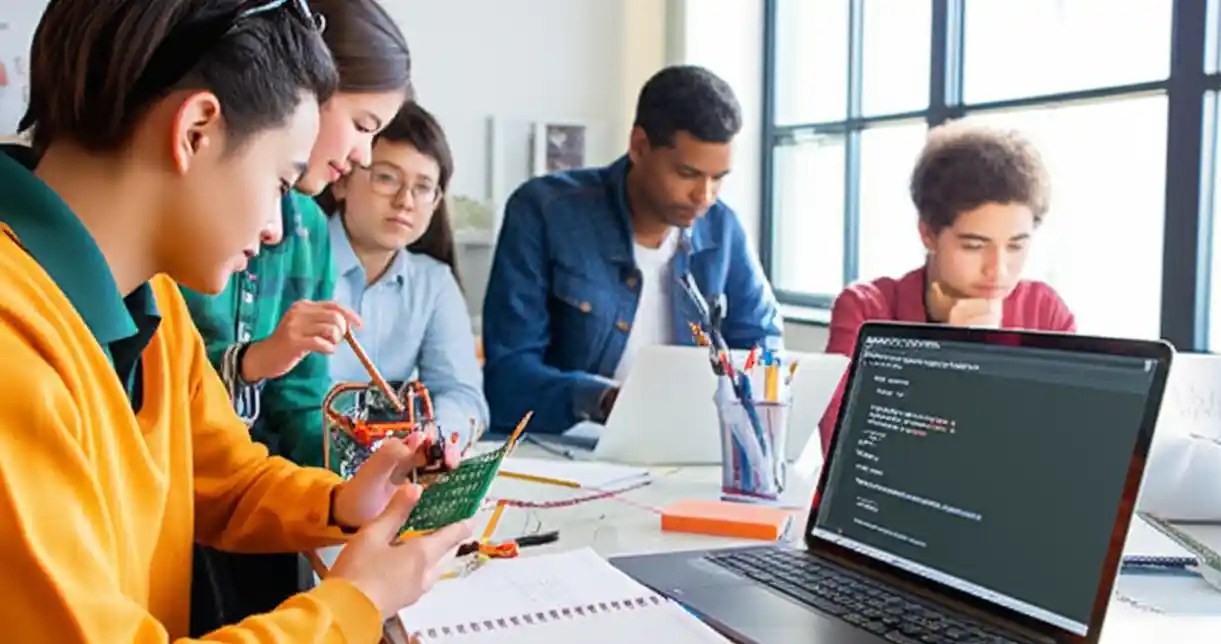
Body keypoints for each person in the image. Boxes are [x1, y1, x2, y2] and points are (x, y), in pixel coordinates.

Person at [0, 1, 472, 644]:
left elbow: (224, 479)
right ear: (196, 131)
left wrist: (345, 500)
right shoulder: (13, 343)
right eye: (283, 181)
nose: (282, 222)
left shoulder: (150, 302)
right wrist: (359, 599)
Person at [179, 0, 414, 642]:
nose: (363, 157)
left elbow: (298, 410)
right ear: (306, 87)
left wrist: (352, 485)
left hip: (257, 505)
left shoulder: (306, 224)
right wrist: (256, 360)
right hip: (192, 518)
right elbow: (170, 414)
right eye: (362, 125)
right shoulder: (175, 224)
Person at [483, 64, 782, 434]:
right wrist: (602, 400)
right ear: (639, 146)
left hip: (689, 449)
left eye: (717, 179)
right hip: (566, 449)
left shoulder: (724, 230)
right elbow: (507, 379)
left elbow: (763, 347)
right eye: (687, 174)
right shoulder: (544, 212)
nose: (704, 196)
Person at [819, 123, 1076, 453]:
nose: (997, 270)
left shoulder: (1045, 312)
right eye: (973, 246)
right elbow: (845, 451)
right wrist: (954, 360)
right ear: (927, 234)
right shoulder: (868, 310)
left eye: (1015, 246)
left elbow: (1060, 446)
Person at [322, 101, 489, 446]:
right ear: (341, 180)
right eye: (386, 178)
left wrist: (432, 441)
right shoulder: (296, 259)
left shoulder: (434, 284)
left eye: (423, 187)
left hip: (391, 469)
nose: (405, 201)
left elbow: (464, 396)